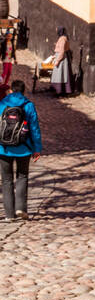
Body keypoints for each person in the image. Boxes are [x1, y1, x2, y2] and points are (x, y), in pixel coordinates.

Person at [0, 79, 42, 221]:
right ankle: (20, 208)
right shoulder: (28, 105)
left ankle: (9, 215)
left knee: (6, 180)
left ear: (11, 90)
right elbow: (34, 128)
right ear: (24, 91)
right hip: (24, 148)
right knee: (22, 176)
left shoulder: (2, 104)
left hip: (4, 148)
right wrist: (37, 148)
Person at [50, 27, 72, 96]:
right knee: (60, 74)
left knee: (60, 74)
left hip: (61, 59)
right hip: (59, 57)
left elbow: (62, 51)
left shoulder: (63, 39)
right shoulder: (62, 38)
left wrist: (58, 60)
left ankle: (59, 91)